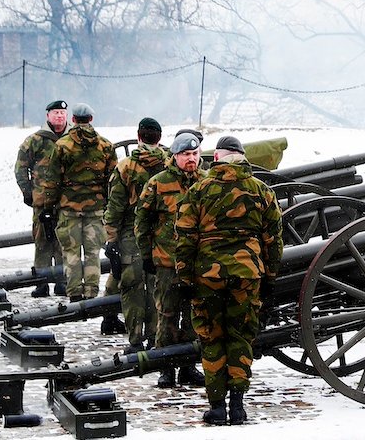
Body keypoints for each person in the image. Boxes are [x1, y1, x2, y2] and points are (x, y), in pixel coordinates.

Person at [175, 135, 282, 425]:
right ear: (243, 157)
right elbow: (273, 239)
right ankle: (238, 406)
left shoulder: (198, 190)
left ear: (217, 158)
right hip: (247, 275)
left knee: (211, 338)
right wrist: (269, 276)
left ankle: (217, 407)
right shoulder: (261, 190)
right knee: (240, 337)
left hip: (207, 275)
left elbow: (185, 239)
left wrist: (184, 278)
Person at [134, 131, 207, 388]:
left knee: (192, 318)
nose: (191, 159)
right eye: (186, 155)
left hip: (197, 263)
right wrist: (146, 255)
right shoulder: (158, 183)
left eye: (195, 154)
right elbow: (142, 222)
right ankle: (165, 368)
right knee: (166, 316)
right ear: (175, 156)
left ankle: (188, 367)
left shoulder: (206, 182)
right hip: (167, 262)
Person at [34, 103, 117, 302]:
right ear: (91, 119)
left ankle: (74, 294)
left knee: (70, 253)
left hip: (68, 210)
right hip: (96, 210)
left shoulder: (62, 146)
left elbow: (52, 180)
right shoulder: (105, 146)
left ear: (73, 120)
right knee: (92, 253)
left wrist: (47, 206)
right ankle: (90, 293)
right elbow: (112, 180)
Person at [103, 117, 168, 353]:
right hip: (161, 234)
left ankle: (135, 340)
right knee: (156, 288)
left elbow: (115, 208)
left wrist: (111, 239)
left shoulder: (126, 167)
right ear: (159, 138)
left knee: (131, 289)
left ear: (139, 137)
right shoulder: (170, 164)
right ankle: (154, 337)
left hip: (131, 235)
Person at [14, 100, 69, 297]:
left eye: (62, 113)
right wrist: (28, 193)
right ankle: (42, 283)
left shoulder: (73, 140)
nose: (59, 116)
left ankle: (62, 282)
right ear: (48, 116)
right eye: (55, 113)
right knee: (42, 243)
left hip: (66, 201)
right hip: (42, 201)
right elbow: (20, 167)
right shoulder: (35, 141)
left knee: (64, 241)